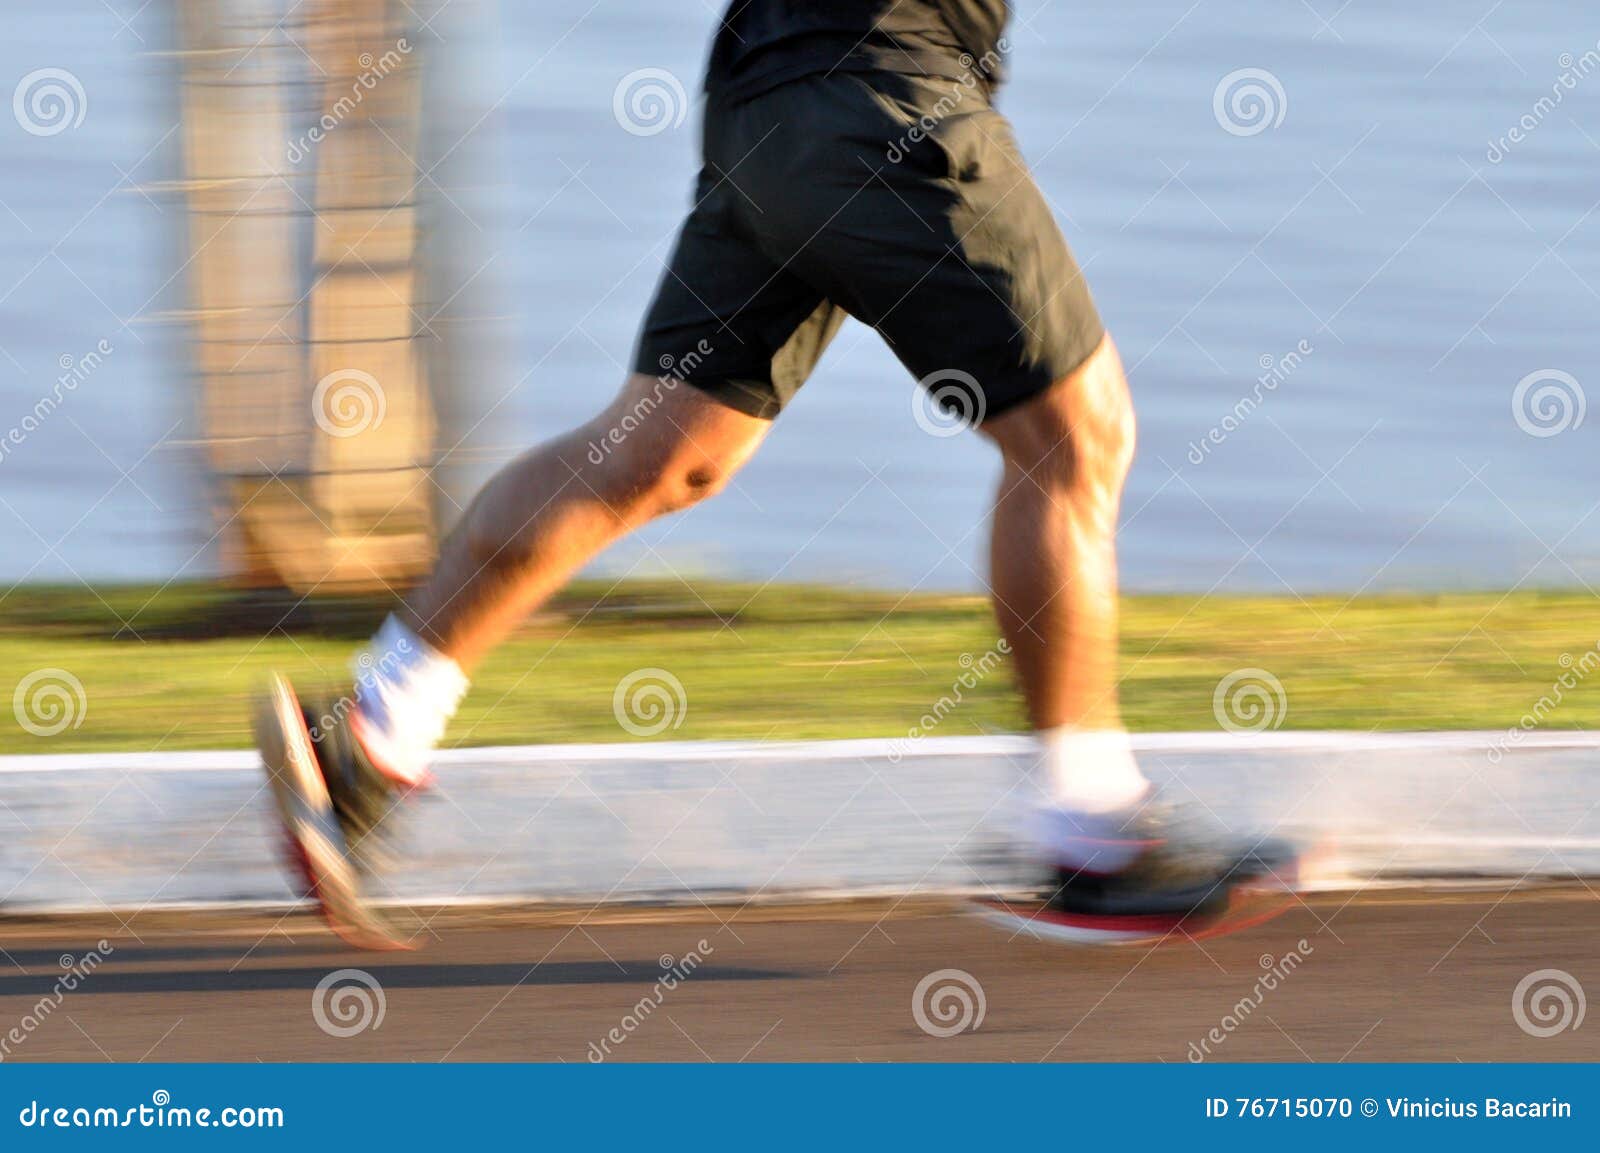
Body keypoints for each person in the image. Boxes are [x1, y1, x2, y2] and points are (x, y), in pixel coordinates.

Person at [255, 0, 1295, 948]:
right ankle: (1092, 829)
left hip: (765, 110)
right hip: (884, 98)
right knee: (1074, 438)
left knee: (660, 456)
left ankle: (373, 734)